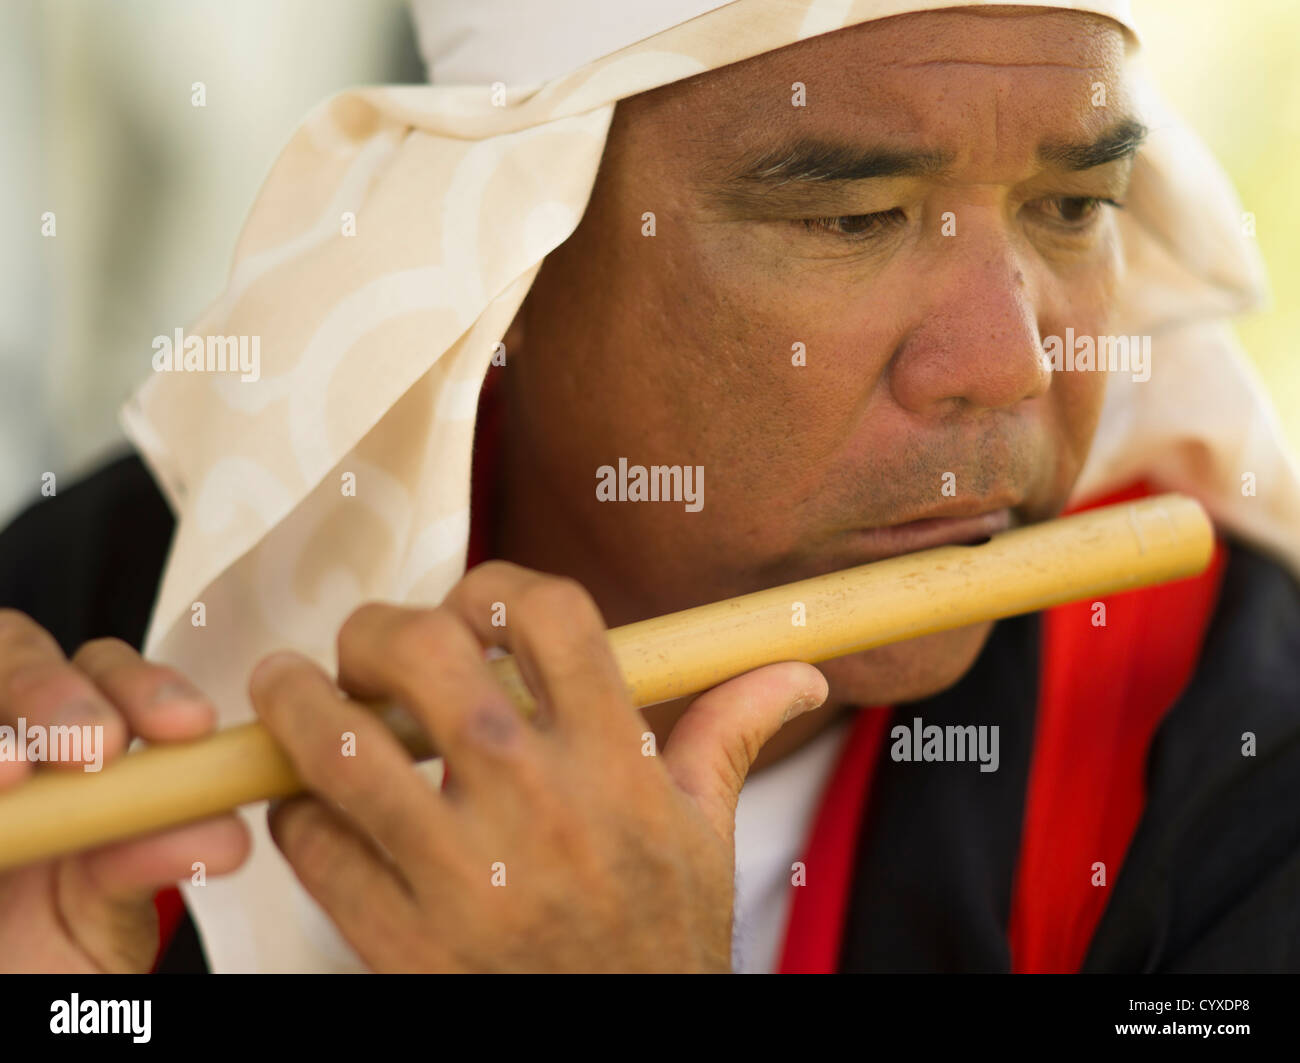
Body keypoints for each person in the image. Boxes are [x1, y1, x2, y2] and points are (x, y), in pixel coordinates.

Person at [1, 0, 1297, 974]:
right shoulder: (96, 616)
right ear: (511, 264)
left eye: (1072, 206)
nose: (1008, 363)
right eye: (852, 221)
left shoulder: (1237, 739)